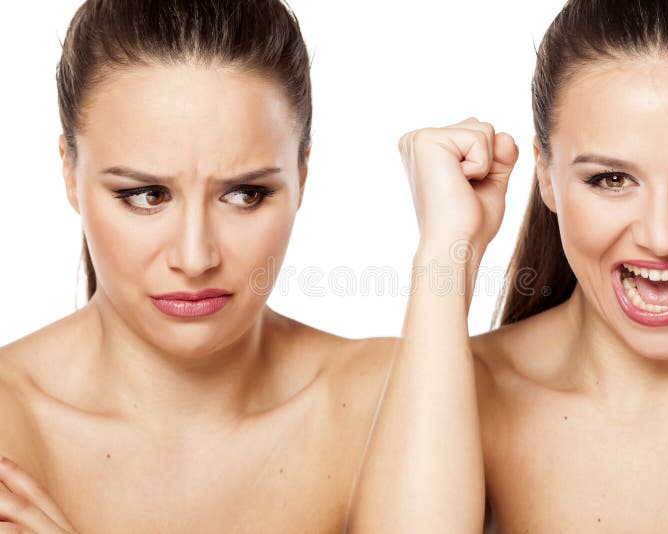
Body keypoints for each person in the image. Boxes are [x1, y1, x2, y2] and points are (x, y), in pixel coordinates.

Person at [353, 0, 668, 532]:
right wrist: (447, 249)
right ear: (546, 176)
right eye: (611, 179)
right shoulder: (459, 387)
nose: (662, 236)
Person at [0, 1, 392, 532]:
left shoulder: (390, 399)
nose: (194, 257)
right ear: (69, 171)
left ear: (303, 173)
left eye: (245, 194)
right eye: (144, 195)